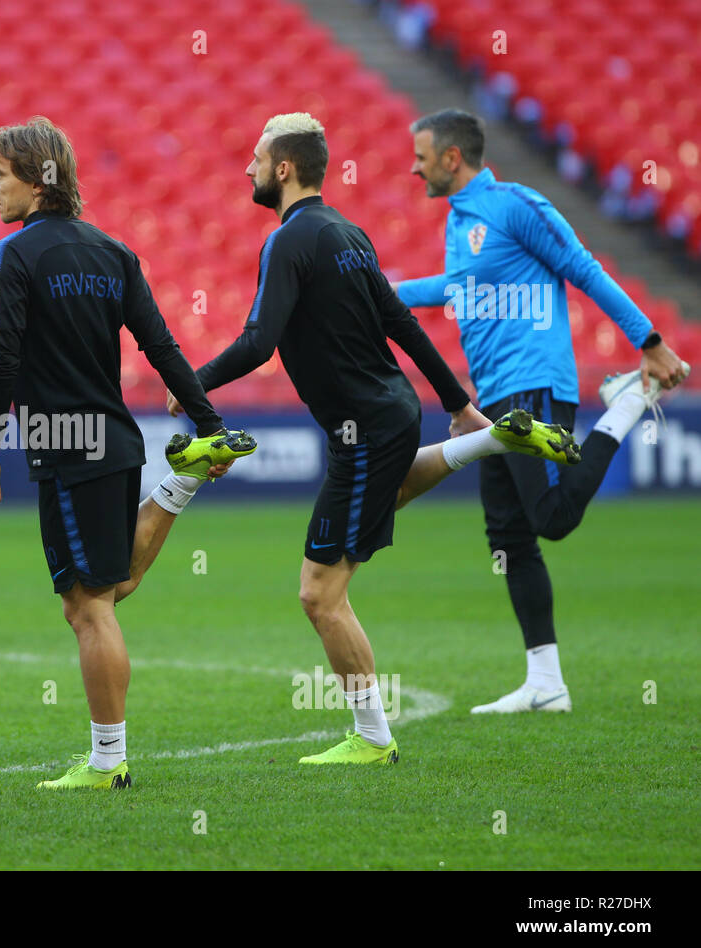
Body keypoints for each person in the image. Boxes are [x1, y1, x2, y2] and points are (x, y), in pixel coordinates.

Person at [174, 113, 576, 764]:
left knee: (319, 592)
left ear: (284, 169)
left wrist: (192, 383)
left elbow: (258, 342)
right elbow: (402, 325)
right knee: (385, 498)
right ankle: (492, 442)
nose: (246, 169)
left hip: (366, 429)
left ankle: (372, 737)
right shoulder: (349, 234)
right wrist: (460, 406)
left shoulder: (290, 241)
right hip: (389, 417)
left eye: (255, 158)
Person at [0, 117, 257, 791]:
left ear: (37, 180)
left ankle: (106, 761)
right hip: (117, 440)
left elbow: (1, 356)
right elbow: (163, 348)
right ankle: (179, 481)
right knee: (108, 587)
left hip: (65, 446)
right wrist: (207, 421)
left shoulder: (14, 255)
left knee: (88, 606)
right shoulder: (114, 252)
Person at [395, 109, 691, 714]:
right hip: (492, 394)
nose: (414, 165)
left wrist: (649, 341)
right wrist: (380, 291)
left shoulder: (516, 205)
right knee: (507, 534)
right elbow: (458, 289)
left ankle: (627, 402)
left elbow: (582, 268)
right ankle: (545, 681)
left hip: (534, 384)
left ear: (453, 158)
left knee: (551, 517)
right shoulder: (460, 222)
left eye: (422, 155)